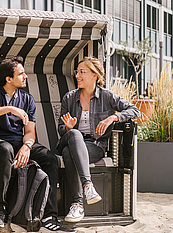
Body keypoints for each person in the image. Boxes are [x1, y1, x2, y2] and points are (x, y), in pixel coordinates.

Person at [0, 56, 76, 233]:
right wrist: (9, 108)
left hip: (20, 142)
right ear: (8, 79)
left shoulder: (27, 99)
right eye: (21, 74)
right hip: (0, 142)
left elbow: (30, 132)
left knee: (49, 158)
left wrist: (27, 146)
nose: (26, 76)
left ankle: (49, 215)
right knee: (4, 150)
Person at [58, 56, 140, 223]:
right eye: (77, 72)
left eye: (82, 72)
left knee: (68, 153)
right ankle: (88, 186)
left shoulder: (107, 96)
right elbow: (61, 130)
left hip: (94, 146)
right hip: (70, 138)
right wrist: (68, 127)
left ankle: (77, 205)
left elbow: (135, 110)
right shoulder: (69, 98)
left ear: (94, 75)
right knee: (74, 135)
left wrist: (113, 118)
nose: (77, 76)